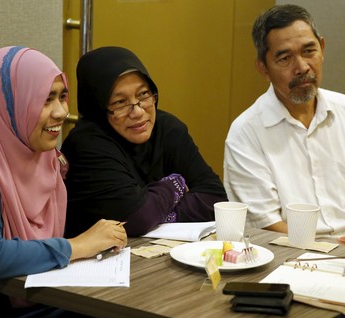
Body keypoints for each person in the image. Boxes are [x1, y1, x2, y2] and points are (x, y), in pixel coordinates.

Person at [0, 46, 195, 318]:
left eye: (62, 96)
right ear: (7, 104)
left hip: (38, 307)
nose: (62, 112)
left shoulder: (42, 159)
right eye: (45, 99)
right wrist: (78, 246)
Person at [223, 4, 345, 242]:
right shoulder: (246, 132)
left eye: (309, 51)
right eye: (285, 58)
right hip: (291, 258)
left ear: (322, 48)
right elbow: (264, 224)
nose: (302, 67)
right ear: (263, 68)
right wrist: (330, 248)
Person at [61, 46, 228, 238]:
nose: (139, 112)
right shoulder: (86, 143)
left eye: (143, 95)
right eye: (120, 103)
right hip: (98, 262)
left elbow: (216, 200)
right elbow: (138, 218)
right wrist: (175, 185)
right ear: (97, 107)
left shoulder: (168, 129)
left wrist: (158, 212)